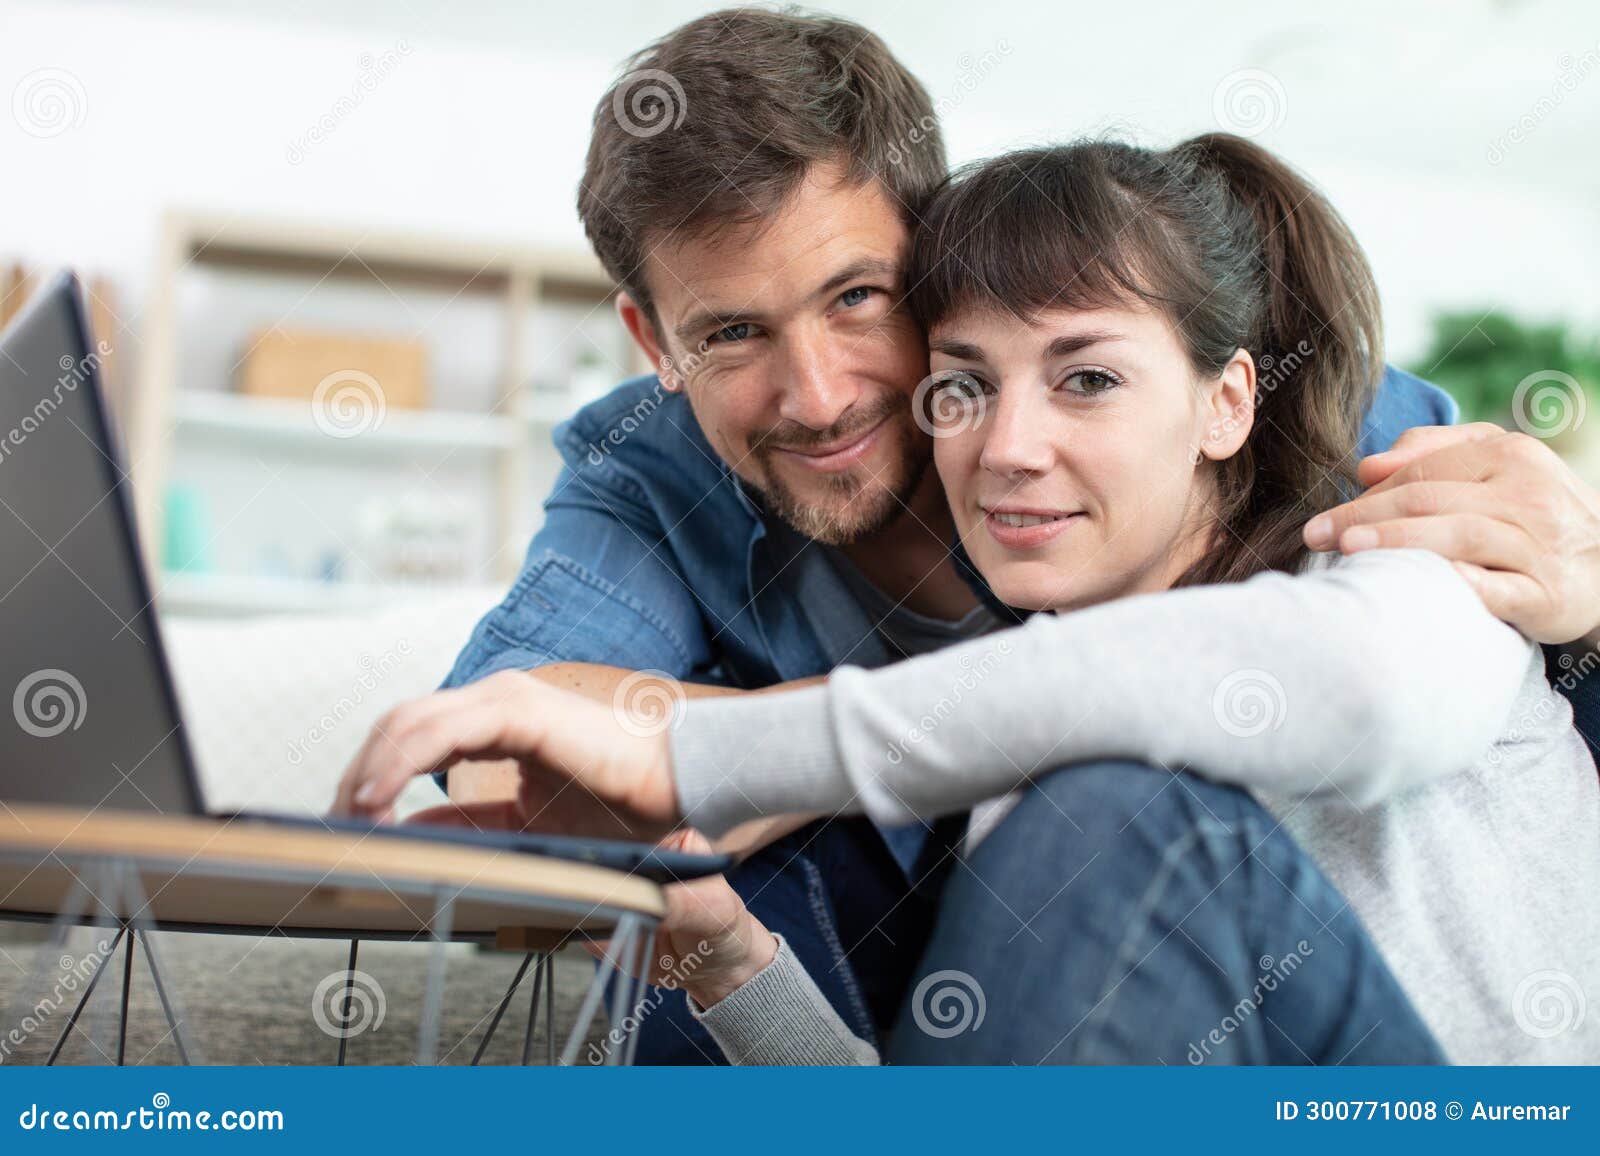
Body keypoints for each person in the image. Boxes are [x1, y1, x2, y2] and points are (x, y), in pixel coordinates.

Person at [335, 9, 1600, 1063]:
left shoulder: (1378, 514)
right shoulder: (1013, 754)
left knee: (1110, 806)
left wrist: (729, 754)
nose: (823, 394)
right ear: (654, 341)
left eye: (858, 299)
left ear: (1229, 400)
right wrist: (728, 963)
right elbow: (505, 750)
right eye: (731, 332)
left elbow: (1375, 673)